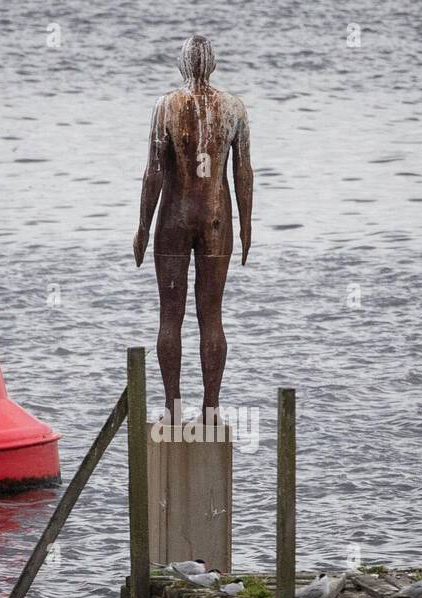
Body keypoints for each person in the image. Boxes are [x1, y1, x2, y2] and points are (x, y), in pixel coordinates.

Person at [134, 35, 252, 425]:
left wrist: (142, 227)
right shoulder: (234, 108)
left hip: (174, 219)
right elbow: (242, 173)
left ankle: (172, 408)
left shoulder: (165, 106)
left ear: (182, 66)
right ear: (213, 65)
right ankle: (211, 410)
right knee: (211, 316)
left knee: (170, 317)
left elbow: (153, 172)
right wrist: (247, 224)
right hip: (217, 219)